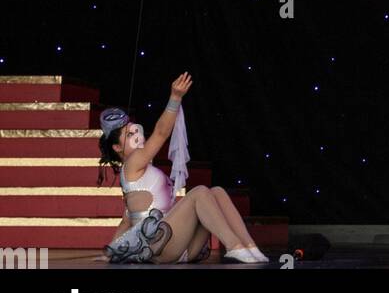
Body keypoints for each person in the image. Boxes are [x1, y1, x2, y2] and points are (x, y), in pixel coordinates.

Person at [97, 72, 269, 264]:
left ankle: (249, 245)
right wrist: (175, 98)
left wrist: (111, 252)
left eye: (133, 129)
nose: (135, 133)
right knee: (200, 192)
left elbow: (127, 219)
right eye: (128, 135)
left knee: (217, 192)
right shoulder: (133, 161)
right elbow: (161, 133)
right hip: (161, 245)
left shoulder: (135, 170)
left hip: (179, 244)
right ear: (117, 148)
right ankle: (233, 245)